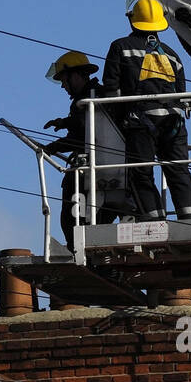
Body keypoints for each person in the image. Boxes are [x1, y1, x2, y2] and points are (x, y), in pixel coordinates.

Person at [102, 0, 191, 222]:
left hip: (140, 123)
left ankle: (155, 220)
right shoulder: (173, 55)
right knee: (179, 172)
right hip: (174, 124)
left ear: (132, 21)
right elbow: (181, 94)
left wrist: (119, 120)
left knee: (141, 172)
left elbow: (111, 90)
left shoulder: (120, 47)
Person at [42, 50, 120, 247]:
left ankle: (80, 249)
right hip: (107, 169)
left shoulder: (92, 99)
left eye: (65, 80)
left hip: (95, 170)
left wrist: (53, 147)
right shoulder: (89, 98)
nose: (63, 86)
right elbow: (81, 131)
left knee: (73, 219)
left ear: (76, 75)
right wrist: (66, 123)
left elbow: (85, 138)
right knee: (87, 220)